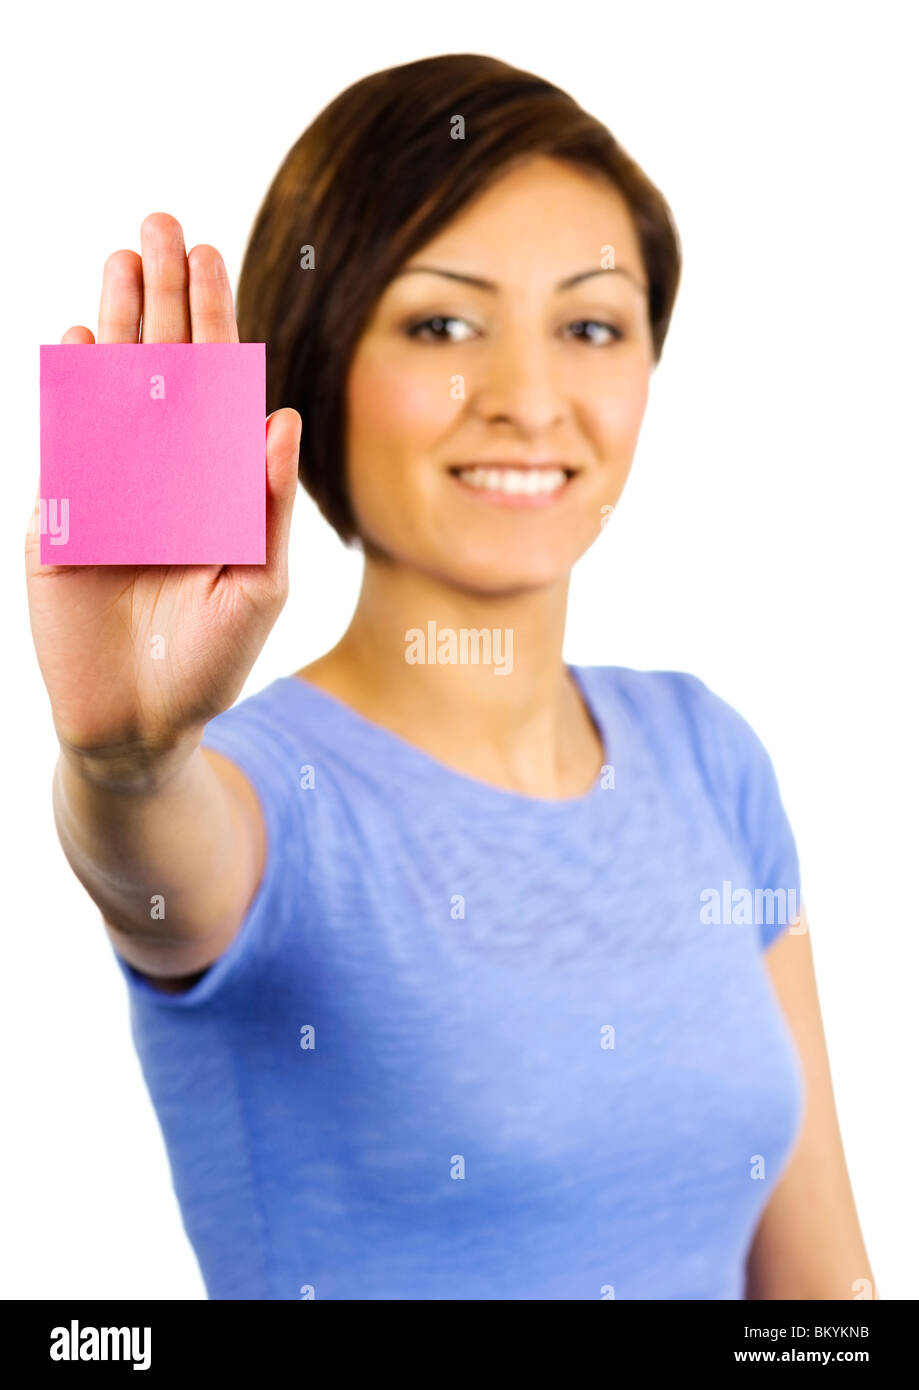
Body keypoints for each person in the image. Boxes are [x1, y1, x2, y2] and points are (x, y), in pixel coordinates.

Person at [26, 53, 875, 1300]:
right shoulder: (256, 796)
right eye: (442, 324)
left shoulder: (707, 752)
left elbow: (821, 1298)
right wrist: (122, 757)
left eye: (590, 326)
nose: (531, 399)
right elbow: (150, 849)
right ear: (320, 364)